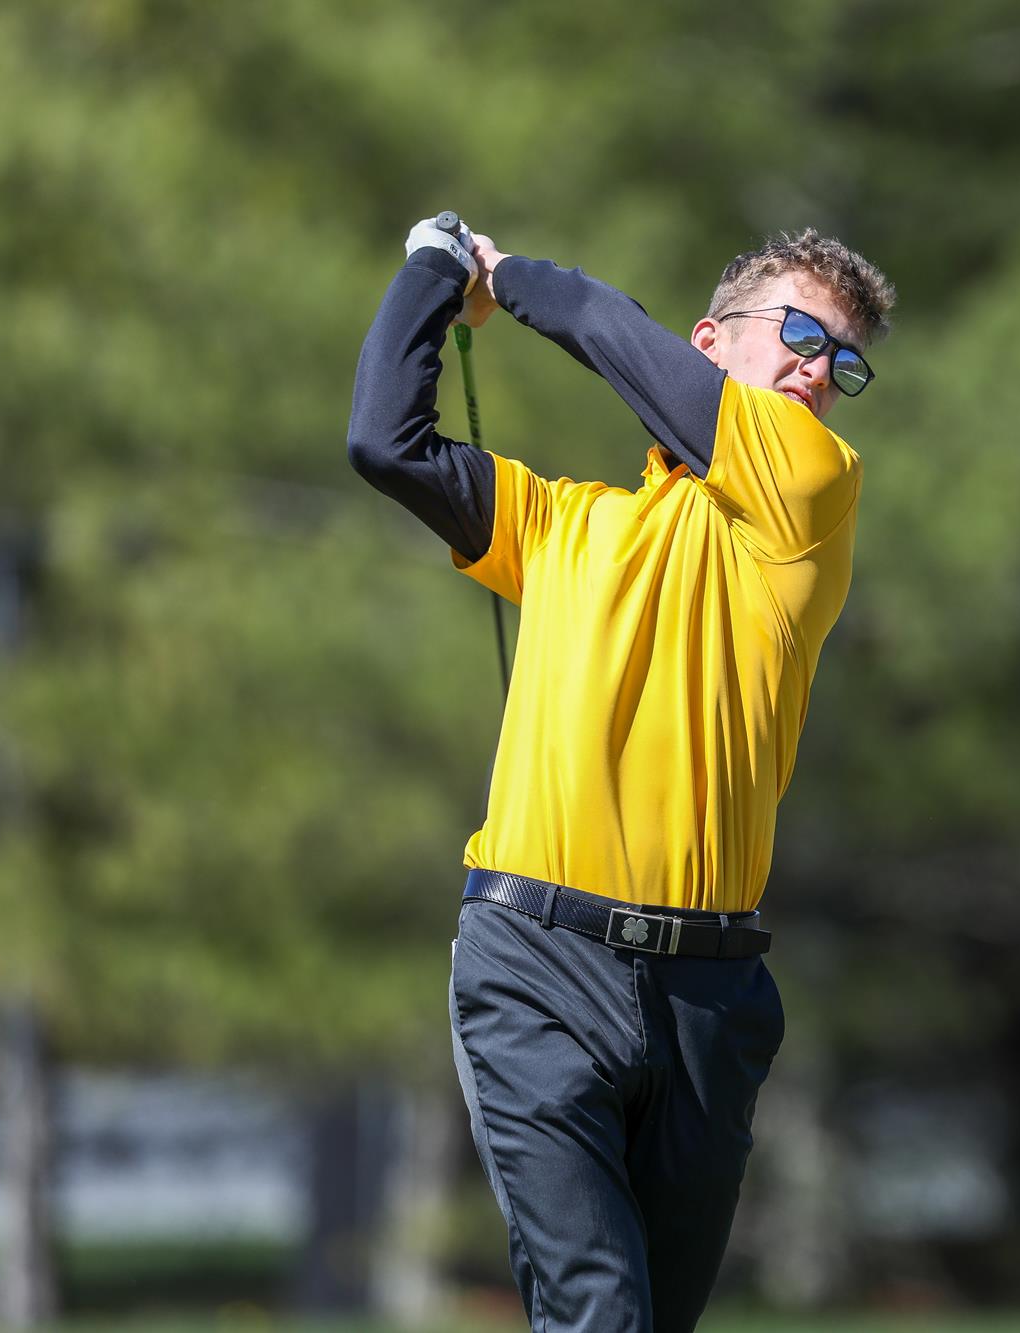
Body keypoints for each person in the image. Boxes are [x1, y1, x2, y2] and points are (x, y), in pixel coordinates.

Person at [346, 214, 894, 1332]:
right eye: (794, 330)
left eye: (839, 360)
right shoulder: (562, 524)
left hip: (709, 996)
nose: (815, 369)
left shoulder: (808, 494)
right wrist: (436, 277)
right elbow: (386, 443)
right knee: (599, 1314)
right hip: (536, 967)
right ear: (710, 340)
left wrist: (512, 283)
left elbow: (606, 330)